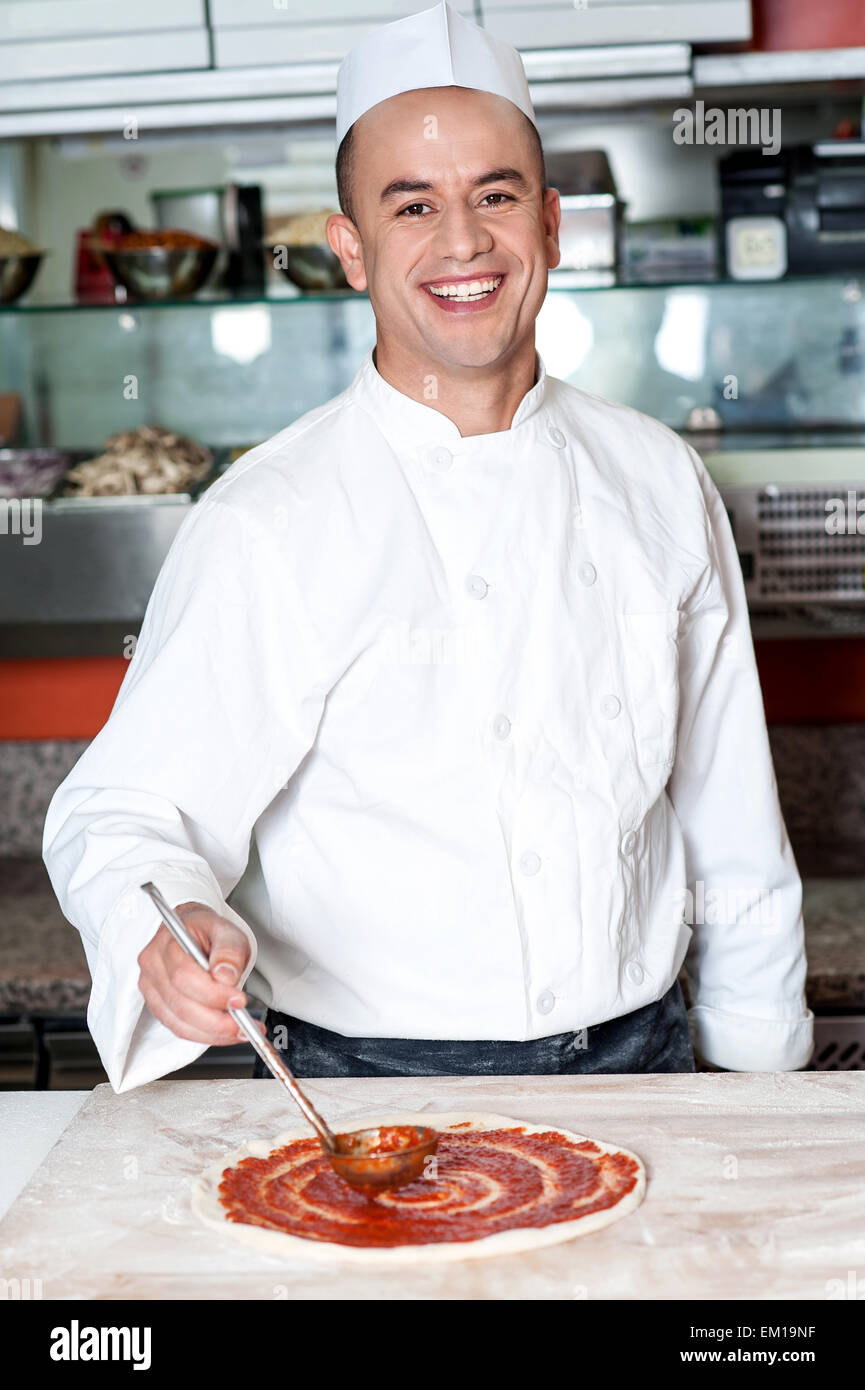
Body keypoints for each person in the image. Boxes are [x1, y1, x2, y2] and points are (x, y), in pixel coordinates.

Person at [43, 3, 813, 1090]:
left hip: (647, 1063)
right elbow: (123, 810)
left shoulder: (656, 475)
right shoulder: (268, 518)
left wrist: (760, 1081)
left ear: (548, 223)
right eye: (414, 206)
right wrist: (167, 931)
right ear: (349, 247)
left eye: (494, 196)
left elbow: (729, 818)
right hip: (369, 1087)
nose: (462, 242)